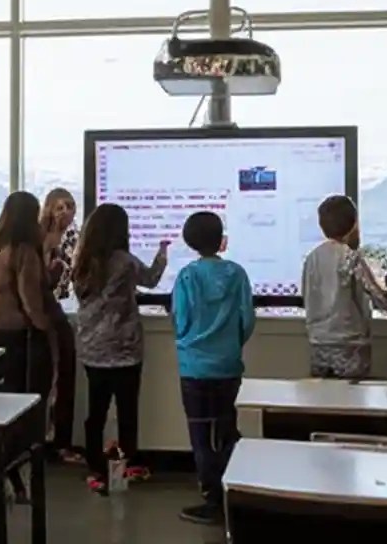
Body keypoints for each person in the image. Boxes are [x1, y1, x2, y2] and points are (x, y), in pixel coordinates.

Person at [71, 203, 168, 495]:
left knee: (96, 412)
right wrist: (162, 253)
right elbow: (151, 279)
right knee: (127, 411)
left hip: (92, 348)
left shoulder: (82, 262)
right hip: (125, 349)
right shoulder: (125, 262)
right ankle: (128, 463)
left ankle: (95, 467)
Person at [169, 211, 255, 525]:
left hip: (195, 368)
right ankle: (235, 494)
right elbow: (247, 320)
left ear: (189, 241)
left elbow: (180, 320)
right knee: (227, 430)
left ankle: (212, 500)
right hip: (228, 365)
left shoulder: (187, 277)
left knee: (202, 436)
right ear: (221, 240)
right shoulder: (237, 274)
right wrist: (230, 344)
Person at [0, 191, 58, 502]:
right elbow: (30, 300)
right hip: (26, 336)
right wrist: (48, 327)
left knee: (7, 403)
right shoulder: (24, 251)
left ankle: (5, 472)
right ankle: (21, 470)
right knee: (30, 407)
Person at [301, 195, 387, 380]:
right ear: (353, 224)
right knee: (350, 395)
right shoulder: (350, 257)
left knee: (322, 394)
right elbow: (374, 292)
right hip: (350, 342)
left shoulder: (312, 257)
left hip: (318, 340)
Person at [40, 187, 81, 465]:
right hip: (44, 312)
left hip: (63, 309)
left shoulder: (76, 237)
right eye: (59, 206)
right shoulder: (41, 238)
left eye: (70, 205)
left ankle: (61, 442)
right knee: (49, 380)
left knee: (65, 377)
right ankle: (45, 440)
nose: (65, 211)